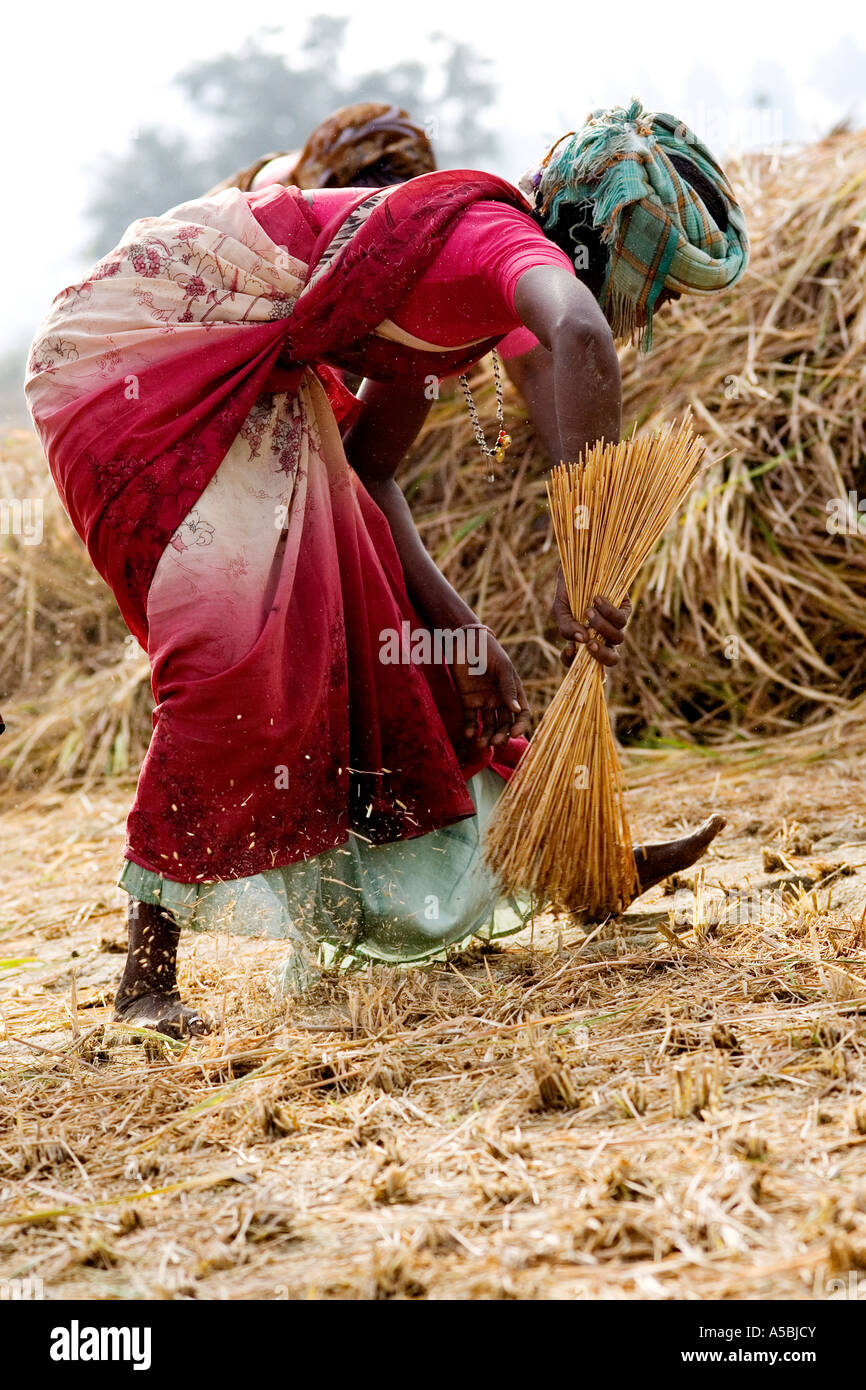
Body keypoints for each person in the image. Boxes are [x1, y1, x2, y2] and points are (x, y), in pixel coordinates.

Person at [26, 99, 748, 1036]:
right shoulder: (500, 240)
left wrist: (456, 630)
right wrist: (586, 550)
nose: (656, 311)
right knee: (236, 649)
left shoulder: (457, 285)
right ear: (613, 240)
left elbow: (372, 470)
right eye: (662, 285)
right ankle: (144, 978)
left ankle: (578, 860)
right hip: (148, 358)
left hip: (244, 370)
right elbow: (578, 333)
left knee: (372, 624)